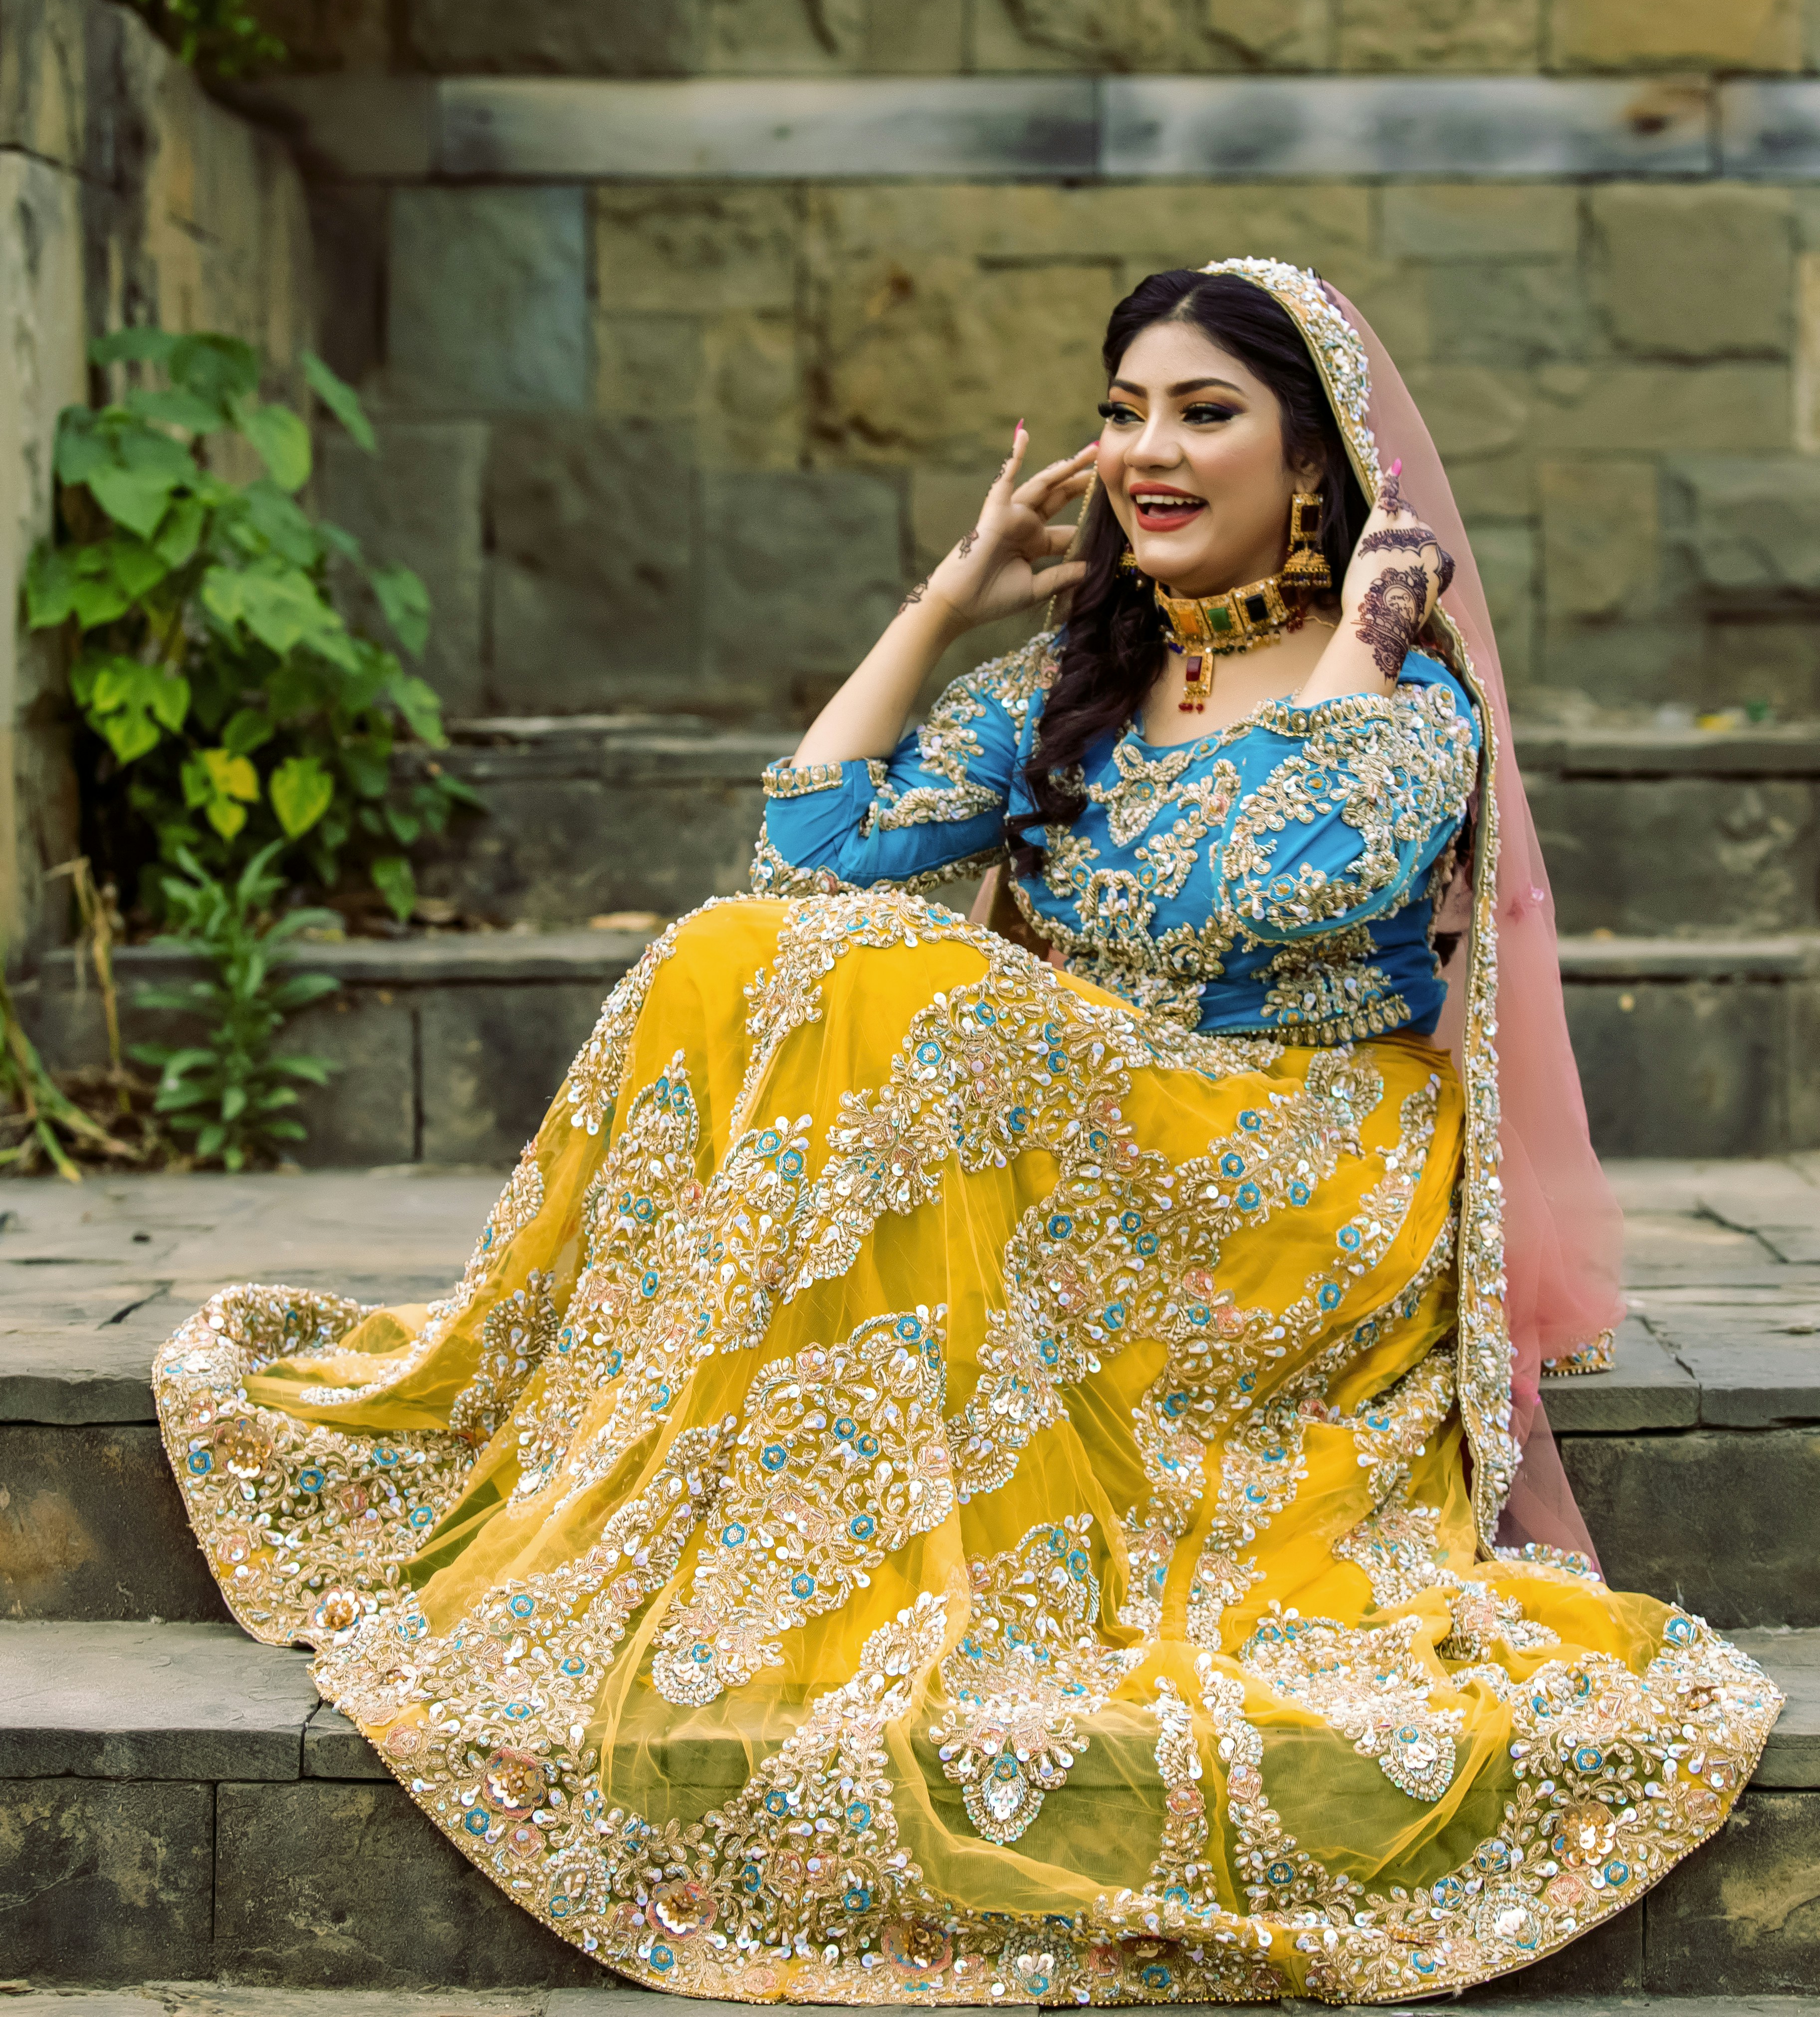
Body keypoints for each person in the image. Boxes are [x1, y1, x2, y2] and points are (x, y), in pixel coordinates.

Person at [155, 258, 1781, 2006]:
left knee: (924, 1001)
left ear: (1318, 466)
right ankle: (717, 1494)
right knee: (745, 957)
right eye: (1123, 413)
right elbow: (806, 851)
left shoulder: (1410, 708)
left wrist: (1369, 650)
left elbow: (1261, 884)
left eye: (1205, 413)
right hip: (1069, 1133)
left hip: (1292, 1185)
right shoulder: (1069, 687)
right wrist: (944, 604)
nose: (1149, 452)